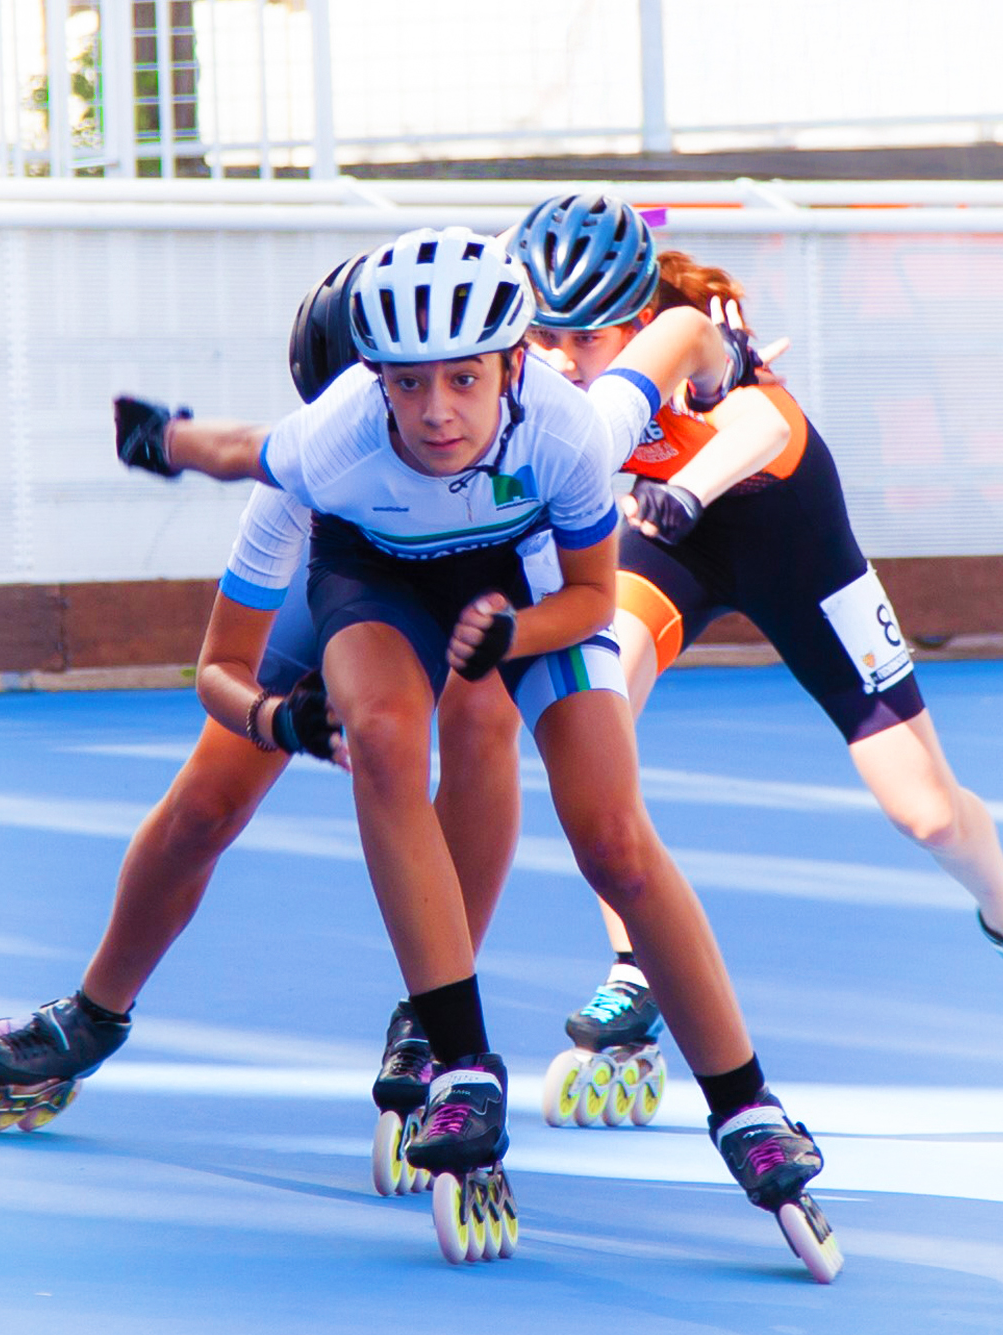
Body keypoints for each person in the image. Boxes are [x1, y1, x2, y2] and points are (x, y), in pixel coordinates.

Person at [124, 223, 839, 1275]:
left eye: (463, 380)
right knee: (383, 739)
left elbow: (668, 360)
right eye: (405, 387)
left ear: (515, 364)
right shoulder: (322, 451)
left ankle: (746, 1103)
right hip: (384, 585)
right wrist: (279, 716)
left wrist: (721, 359)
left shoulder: (572, 428)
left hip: (532, 587)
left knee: (614, 843)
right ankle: (458, 1056)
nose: (435, 415)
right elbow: (227, 550)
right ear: (365, 388)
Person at [0, 254, 524, 1150]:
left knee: (482, 723)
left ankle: (434, 1017)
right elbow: (223, 666)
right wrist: (274, 718)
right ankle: (95, 1010)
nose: (419, 431)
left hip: (485, 587)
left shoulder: (519, 433)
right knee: (206, 801)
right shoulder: (309, 468)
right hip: (347, 597)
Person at [509, 192, 1003, 1077]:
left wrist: (686, 489)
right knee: (596, 704)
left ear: (635, 322)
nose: (559, 360)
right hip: (670, 546)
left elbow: (762, 423)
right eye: (543, 336)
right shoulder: (535, 376)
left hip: (791, 542)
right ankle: (634, 964)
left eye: (583, 340)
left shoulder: (688, 336)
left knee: (926, 812)